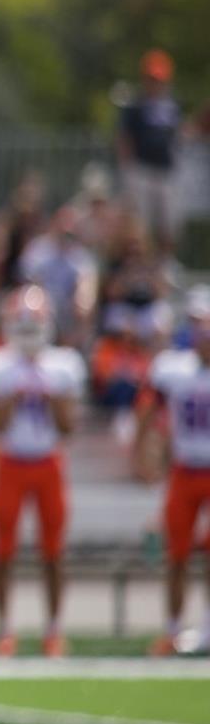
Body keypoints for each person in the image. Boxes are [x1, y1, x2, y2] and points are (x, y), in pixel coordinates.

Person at [0, 286, 84, 657]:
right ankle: (4, 629)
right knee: (2, 549)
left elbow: (68, 427)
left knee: (53, 550)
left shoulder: (63, 364)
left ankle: (53, 629)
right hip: (11, 461)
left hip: (49, 461)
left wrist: (51, 398)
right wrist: (14, 398)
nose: (28, 336)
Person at [141, 288, 210, 656]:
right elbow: (149, 412)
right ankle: (173, 629)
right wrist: (146, 452)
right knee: (177, 554)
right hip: (184, 471)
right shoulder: (173, 367)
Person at [117, 48, 183, 254]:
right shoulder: (135, 105)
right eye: (152, 79)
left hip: (166, 170)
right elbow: (124, 137)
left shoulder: (172, 106)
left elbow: (176, 136)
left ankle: (166, 263)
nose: (156, 84)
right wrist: (127, 169)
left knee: (169, 222)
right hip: (141, 169)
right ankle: (142, 261)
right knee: (141, 222)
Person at [19, 207, 100, 348]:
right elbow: (30, 282)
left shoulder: (81, 256)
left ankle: (72, 348)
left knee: (84, 306)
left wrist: (83, 302)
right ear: (54, 224)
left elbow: (87, 284)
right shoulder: (38, 249)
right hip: (42, 303)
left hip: (68, 308)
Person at [0, 169, 50, 292]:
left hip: (34, 282)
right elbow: (0, 255)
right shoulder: (6, 221)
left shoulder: (41, 225)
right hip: (8, 281)